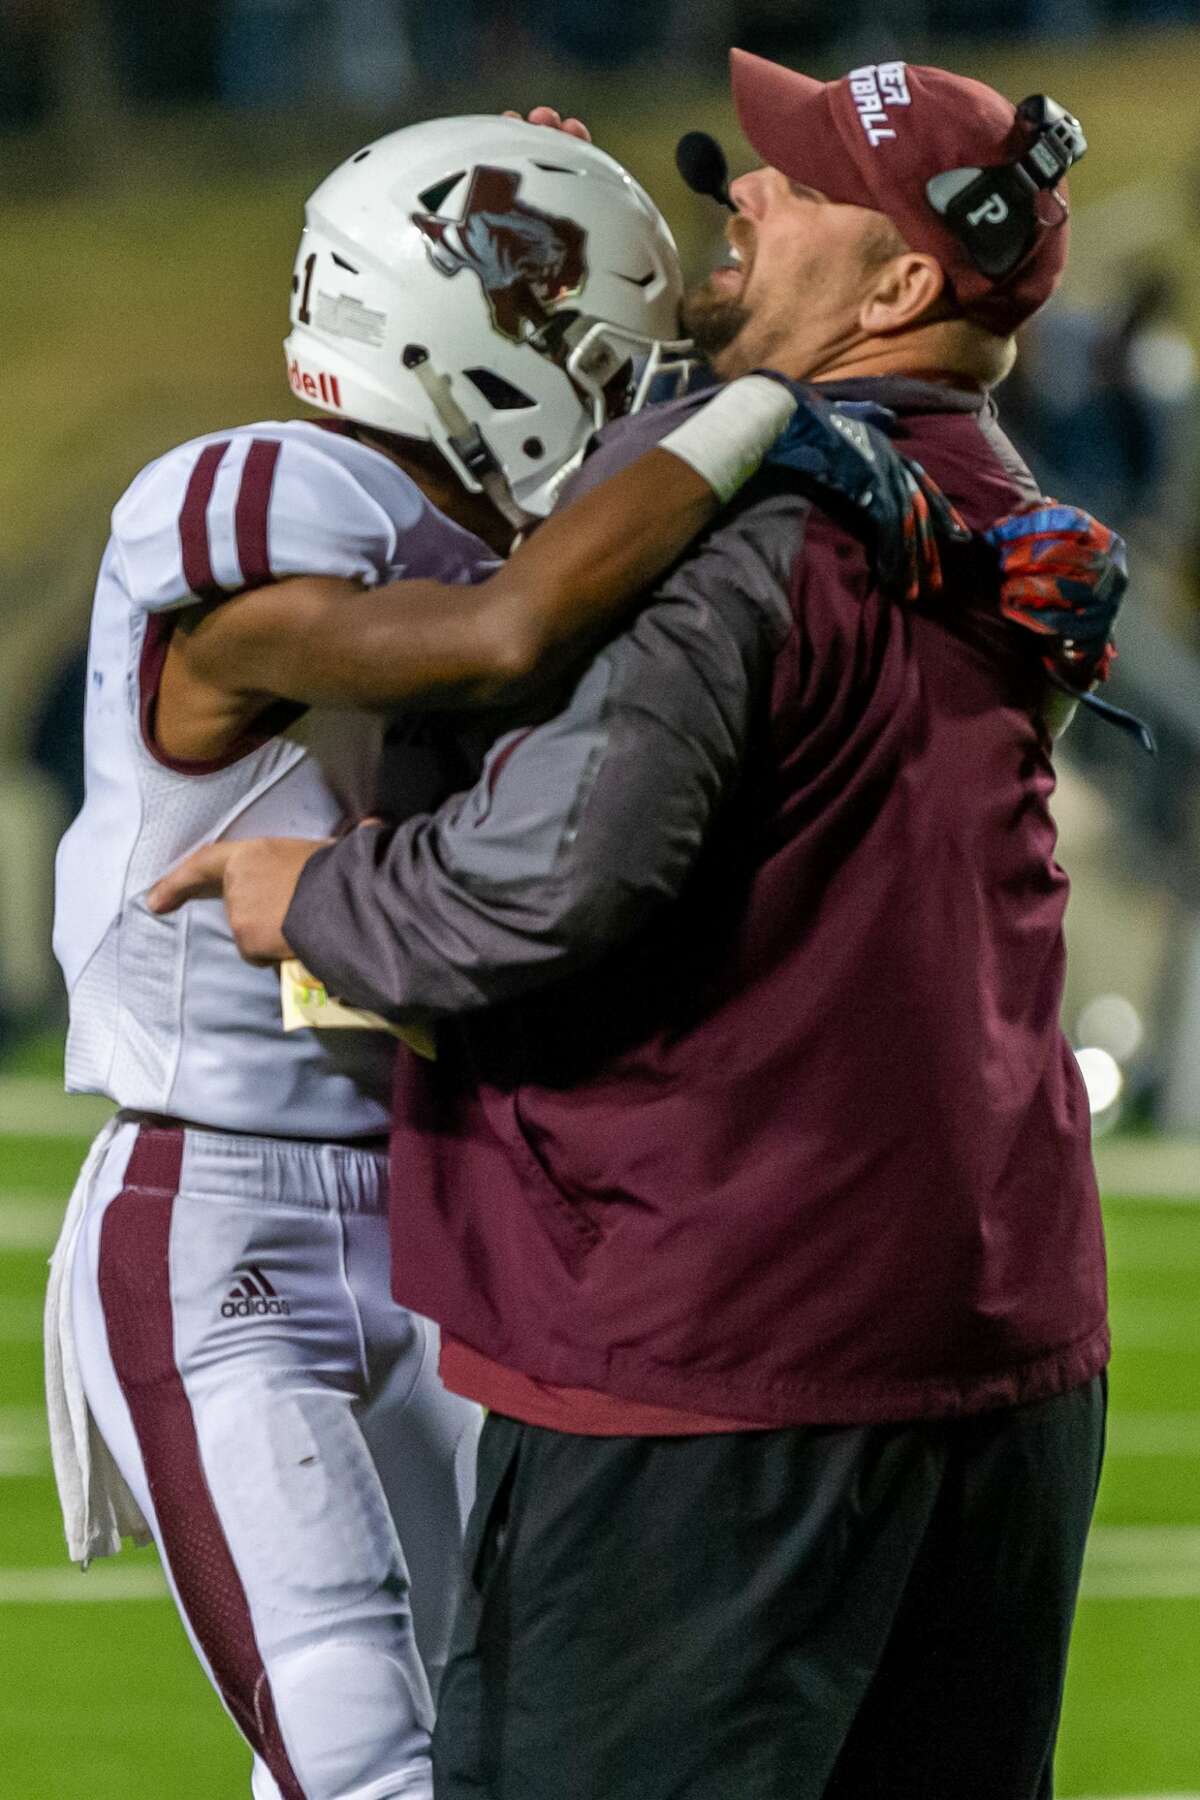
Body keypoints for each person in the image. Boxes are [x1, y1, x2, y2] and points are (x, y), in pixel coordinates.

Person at [149, 64, 1132, 1800]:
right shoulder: (1002, 504)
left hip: (721, 1359)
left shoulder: (746, 518)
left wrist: (310, 894)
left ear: (901, 284)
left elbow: (536, 883)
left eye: (800, 183)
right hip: (1003, 1351)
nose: (743, 190)